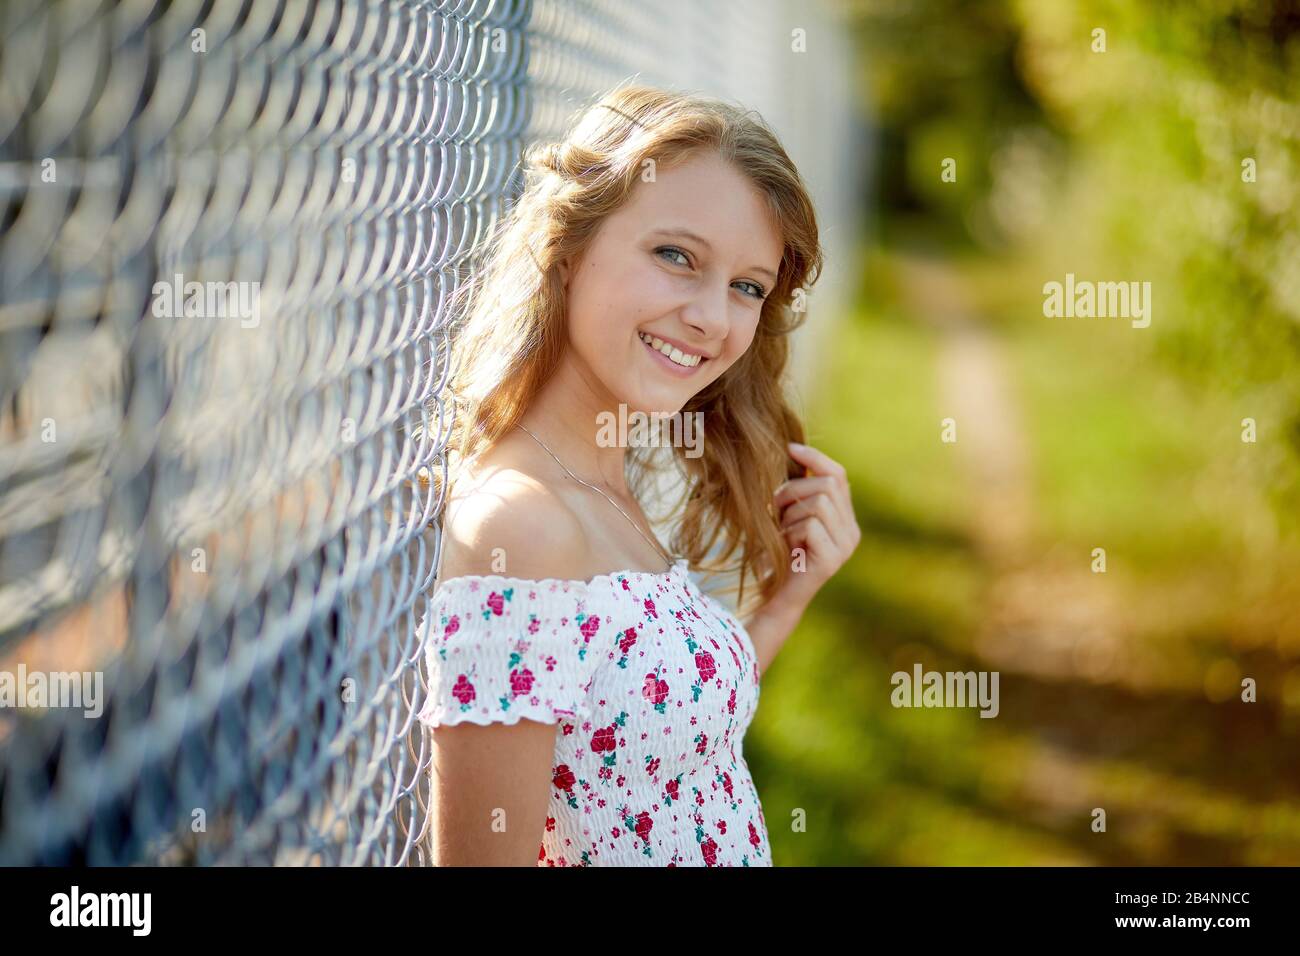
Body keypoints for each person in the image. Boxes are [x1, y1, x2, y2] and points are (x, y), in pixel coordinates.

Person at [418, 82, 860, 866]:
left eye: (746, 287)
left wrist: (788, 596)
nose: (712, 318)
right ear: (568, 249)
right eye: (675, 256)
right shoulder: (521, 527)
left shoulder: (599, 484)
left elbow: (650, 746)